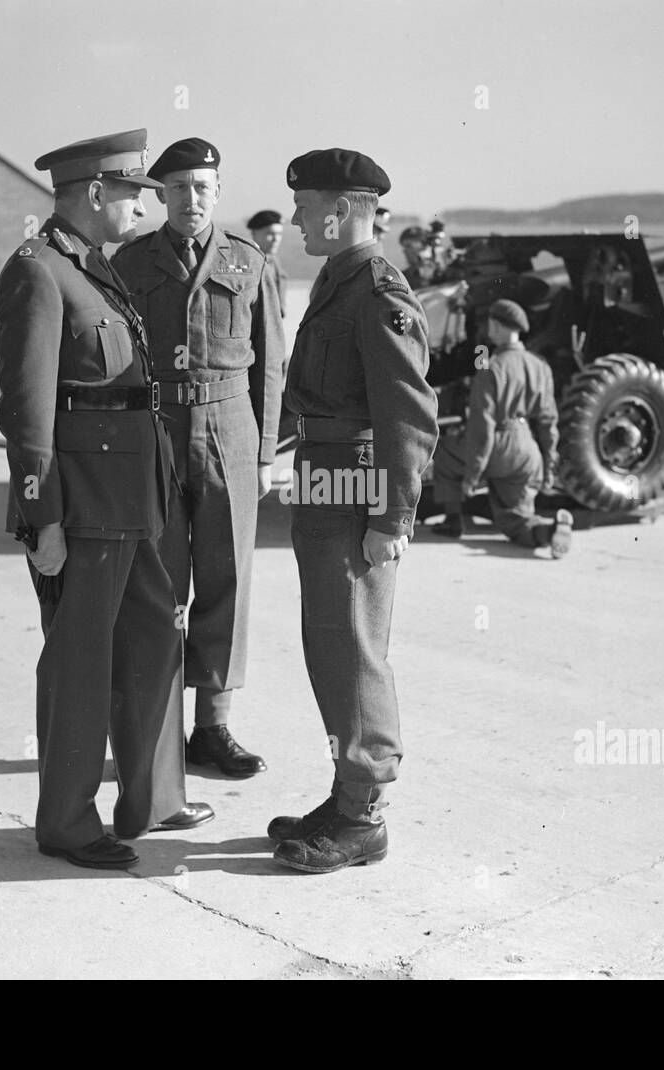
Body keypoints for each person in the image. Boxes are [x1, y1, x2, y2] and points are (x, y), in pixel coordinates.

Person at [0, 129, 213, 871]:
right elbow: (26, 413)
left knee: (155, 640)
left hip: (136, 499)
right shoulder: (38, 274)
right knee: (80, 661)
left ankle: (150, 798)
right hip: (83, 507)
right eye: (132, 194)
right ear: (94, 193)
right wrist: (42, 516)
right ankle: (66, 821)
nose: (143, 207)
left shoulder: (95, 268)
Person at [269, 147, 438, 874]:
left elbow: (410, 416)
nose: (298, 217)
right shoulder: (337, 281)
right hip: (322, 481)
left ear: (340, 211)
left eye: (306, 206)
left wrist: (391, 519)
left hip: (357, 492)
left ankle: (364, 816)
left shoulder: (377, 293)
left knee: (356, 652)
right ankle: (346, 793)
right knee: (330, 646)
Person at [114, 139, 284, 780]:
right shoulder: (130, 264)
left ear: (219, 192)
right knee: (159, 581)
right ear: (162, 195)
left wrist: (266, 452)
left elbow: (272, 364)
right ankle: (156, 728)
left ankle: (213, 727)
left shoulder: (249, 261)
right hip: (158, 430)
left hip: (232, 431)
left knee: (227, 580)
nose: (191, 198)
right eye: (179, 187)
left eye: (202, 187)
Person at [430, 299, 572, 556]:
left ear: (497, 325)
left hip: (500, 444)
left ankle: (453, 521)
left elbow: (482, 428)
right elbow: (549, 421)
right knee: (516, 521)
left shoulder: (491, 367)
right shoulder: (540, 366)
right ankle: (549, 532)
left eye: (491, 324)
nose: (488, 330)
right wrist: (549, 464)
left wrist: (473, 477)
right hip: (528, 450)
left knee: (445, 452)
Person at [247, 209, 288, 319]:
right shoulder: (247, 262)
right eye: (270, 234)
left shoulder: (274, 262)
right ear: (254, 233)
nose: (276, 239)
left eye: (279, 234)